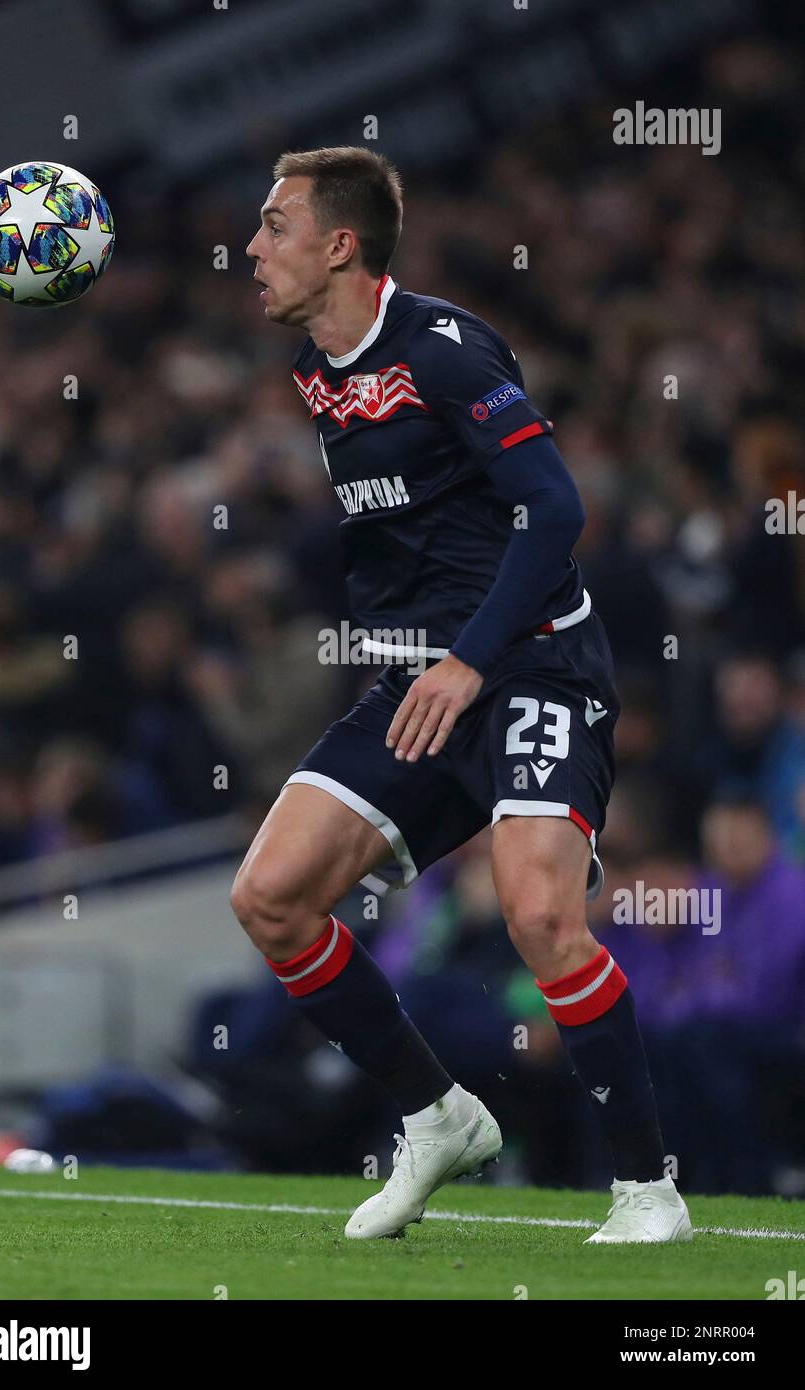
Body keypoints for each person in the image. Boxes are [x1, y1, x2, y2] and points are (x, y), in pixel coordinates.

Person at [233, 146, 691, 1243]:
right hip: (419, 679)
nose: (250, 250)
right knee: (270, 895)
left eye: (274, 226)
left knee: (539, 910)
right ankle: (435, 1115)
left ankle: (646, 1189)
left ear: (339, 245)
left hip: (529, 661)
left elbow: (552, 511)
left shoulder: (443, 350)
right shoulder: (316, 368)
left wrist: (469, 657)